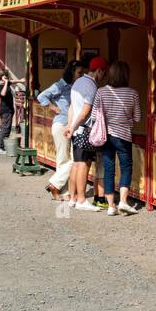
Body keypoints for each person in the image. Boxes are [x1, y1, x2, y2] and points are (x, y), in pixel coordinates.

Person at [92, 60, 141, 216]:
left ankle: (111, 205)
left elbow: (94, 115)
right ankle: (124, 202)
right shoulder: (133, 93)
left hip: (106, 135)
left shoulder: (101, 91)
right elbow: (138, 117)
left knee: (109, 169)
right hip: (124, 136)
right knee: (126, 167)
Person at [66, 56, 109, 211]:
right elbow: (85, 112)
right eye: (104, 72)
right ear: (98, 70)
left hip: (76, 129)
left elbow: (72, 107)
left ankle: (73, 197)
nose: (105, 76)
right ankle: (82, 200)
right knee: (83, 164)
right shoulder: (91, 87)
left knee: (76, 164)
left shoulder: (77, 82)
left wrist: (70, 126)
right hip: (83, 129)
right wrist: (74, 126)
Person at [37, 59, 81, 200]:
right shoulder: (60, 85)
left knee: (71, 159)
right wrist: (53, 107)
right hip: (61, 124)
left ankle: (57, 186)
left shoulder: (76, 87)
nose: (81, 75)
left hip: (70, 126)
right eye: (79, 72)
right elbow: (41, 96)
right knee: (64, 159)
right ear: (72, 72)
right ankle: (59, 189)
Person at [0, 69, 24, 154]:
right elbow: (3, 94)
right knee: (6, 129)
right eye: (6, 77)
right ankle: (0, 147)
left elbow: (12, 81)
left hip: (7, 110)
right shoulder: (0, 86)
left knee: (4, 128)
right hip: (6, 111)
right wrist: (6, 82)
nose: (8, 79)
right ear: (2, 78)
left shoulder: (5, 83)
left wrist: (20, 81)